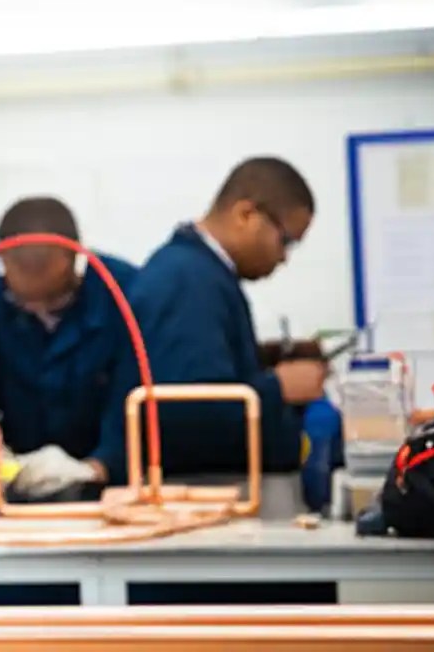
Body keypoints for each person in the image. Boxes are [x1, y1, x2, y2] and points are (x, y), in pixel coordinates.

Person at [111, 157, 332, 603]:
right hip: (212, 506)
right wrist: (280, 387)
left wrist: (270, 358)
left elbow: (206, 372)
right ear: (247, 214)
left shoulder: (199, 273)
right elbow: (187, 411)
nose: (284, 258)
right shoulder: (187, 278)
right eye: (285, 240)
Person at [0, 197, 138, 607]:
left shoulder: (125, 291)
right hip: (14, 498)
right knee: (25, 616)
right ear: (2, 266)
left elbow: (137, 393)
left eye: (49, 301)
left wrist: (97, 466)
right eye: (23, 301)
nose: (36, 310)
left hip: (109, 498)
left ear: (75, 265)